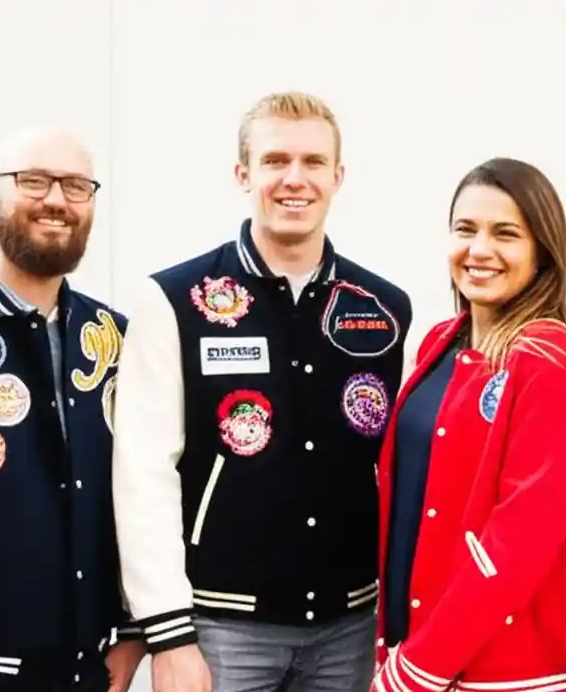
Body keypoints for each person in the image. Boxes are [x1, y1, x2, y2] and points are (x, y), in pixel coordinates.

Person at [111, 91, 412, 692]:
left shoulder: (382, 310)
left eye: (312, 163)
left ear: (338, 176)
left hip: (349, 626)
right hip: (221, 630)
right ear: (242, 173)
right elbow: (143, 473)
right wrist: (168, 634)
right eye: (275, 161)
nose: (294, 180)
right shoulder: (175, 300)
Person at [370, 158, 566, 692]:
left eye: (506, 234)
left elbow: (522, 538)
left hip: (504, 672)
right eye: (465, 230)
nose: (479, 250)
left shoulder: (552, 357)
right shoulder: (439, 342)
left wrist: (418, 670)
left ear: (543, 249)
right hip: (416, 653)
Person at [0, 127, 145, 691]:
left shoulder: (114, 340)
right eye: (33, 181)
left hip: (88, 666)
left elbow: (140, 494)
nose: (56, 200)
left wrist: (131, 633)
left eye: (76, 186)